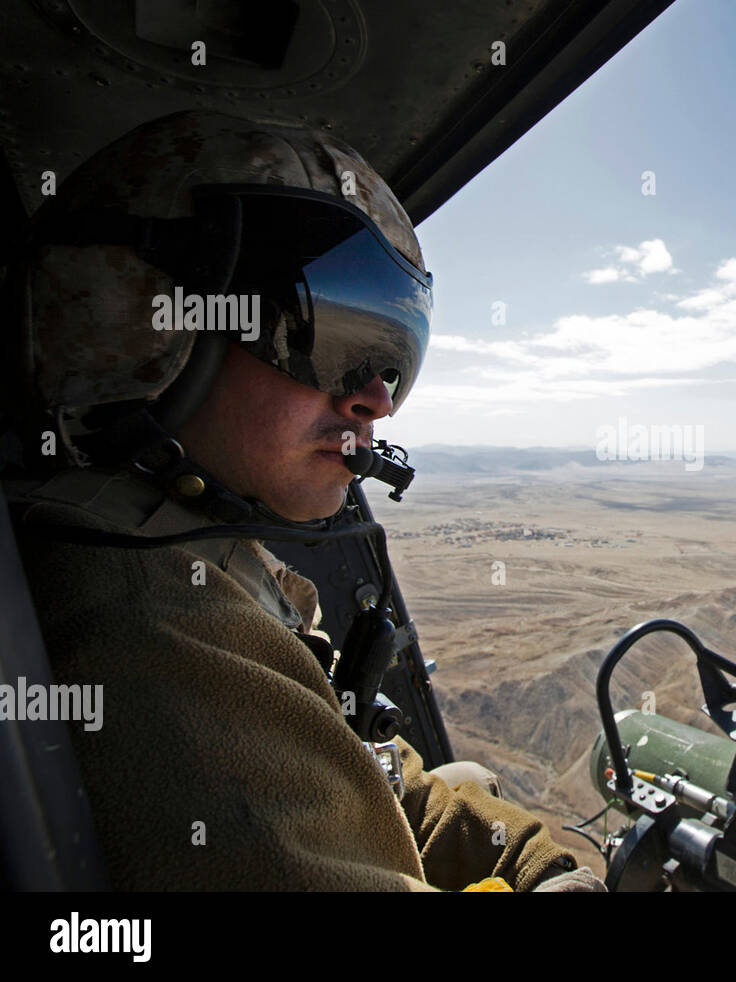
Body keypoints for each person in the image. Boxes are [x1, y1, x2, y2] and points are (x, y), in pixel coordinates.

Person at [1, 110, 603, 892]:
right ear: (146, 319)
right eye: (332, 340)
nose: (376, 403)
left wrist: (526, 858)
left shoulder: (185, 547)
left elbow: (367, 764)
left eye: (392, 362)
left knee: (470, 775)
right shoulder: (151, 620)